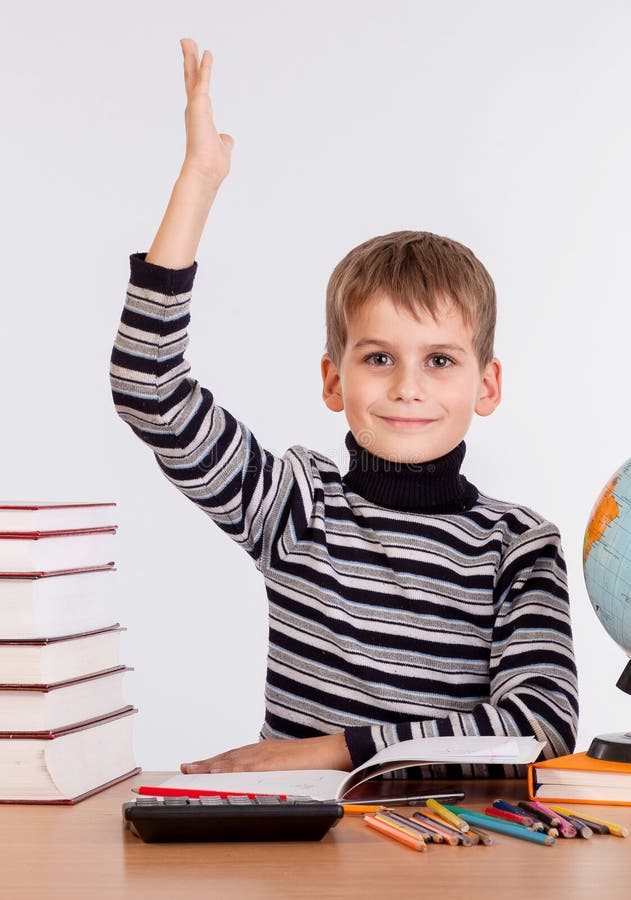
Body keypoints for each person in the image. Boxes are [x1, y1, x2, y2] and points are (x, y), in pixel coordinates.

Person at [110, 38, 578, 778]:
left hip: (458, 857)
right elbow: (149, 386)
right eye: (378, 357)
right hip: (306, 854)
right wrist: (198, 183)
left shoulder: (517, 546)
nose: (407, 386)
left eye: (440, 360)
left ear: (485, 386)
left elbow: (537, 722)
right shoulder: (295, 505)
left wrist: (330, 755)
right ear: (334, 380)